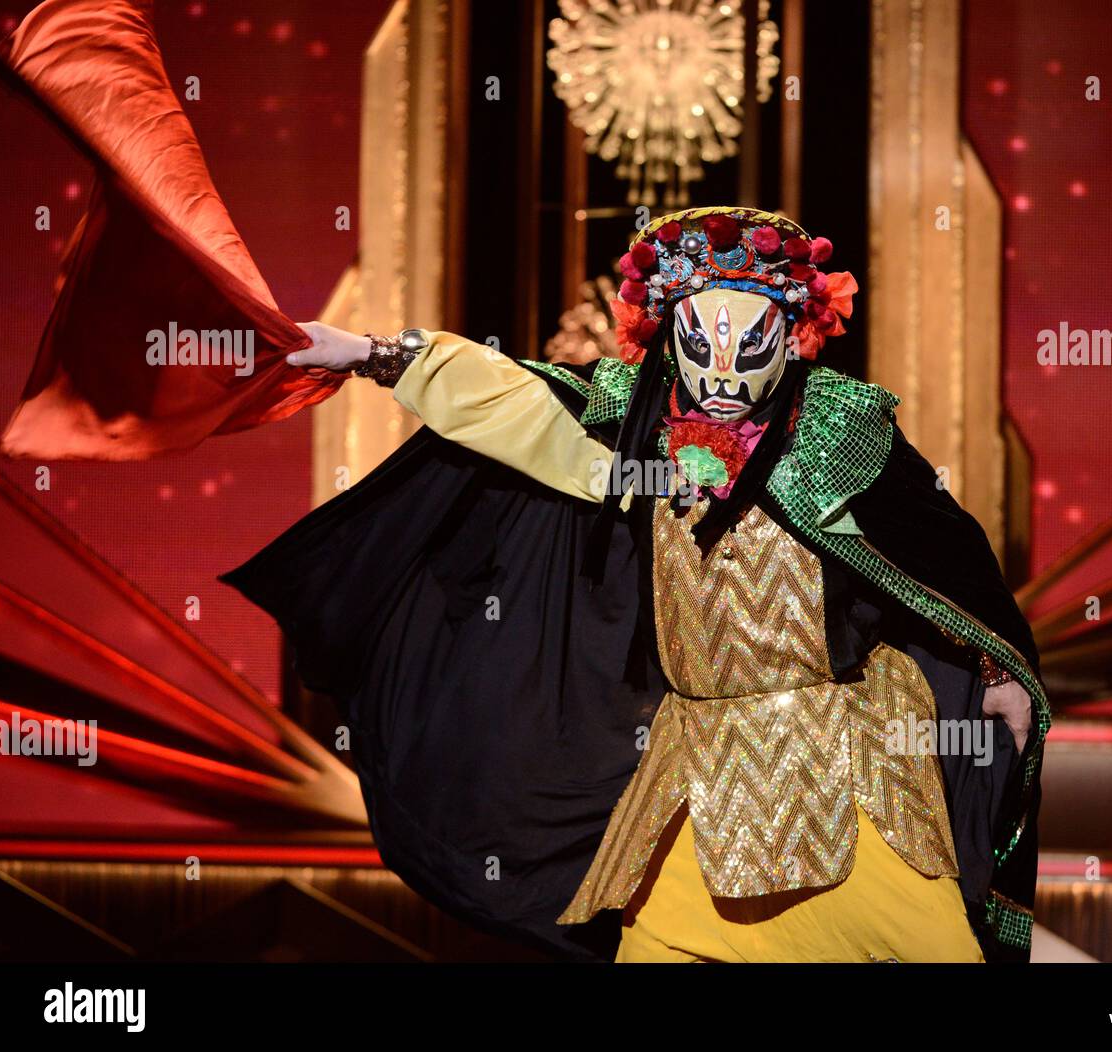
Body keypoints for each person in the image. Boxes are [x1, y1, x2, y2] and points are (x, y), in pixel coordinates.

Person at [222, 206, 1047, 963]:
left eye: (748, 342)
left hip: (843, 763)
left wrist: (995, 666)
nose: (722, 368)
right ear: (664, 335)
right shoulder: (638, 428)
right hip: (695, 767)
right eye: (703, 340)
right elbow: (518, 402)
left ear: (794, 335)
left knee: (923, 946)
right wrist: (373, 354)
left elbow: (940, 554)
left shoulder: (835, 427)